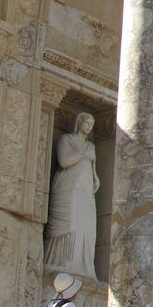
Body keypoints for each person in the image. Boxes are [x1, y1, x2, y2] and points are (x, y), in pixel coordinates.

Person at [45, 112, 100, 278]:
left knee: (86, 225)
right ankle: (62, 261)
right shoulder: (67, 140)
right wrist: (82, 154)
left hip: (85, 188)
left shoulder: (91, 146)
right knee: (70, 221)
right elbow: (64, 161)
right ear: (79, 122)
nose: (89, 126)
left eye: (92, 123)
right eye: (86, 122)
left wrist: (96, 179)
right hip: (68, 186)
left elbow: (93, 168)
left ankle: (83, 265)